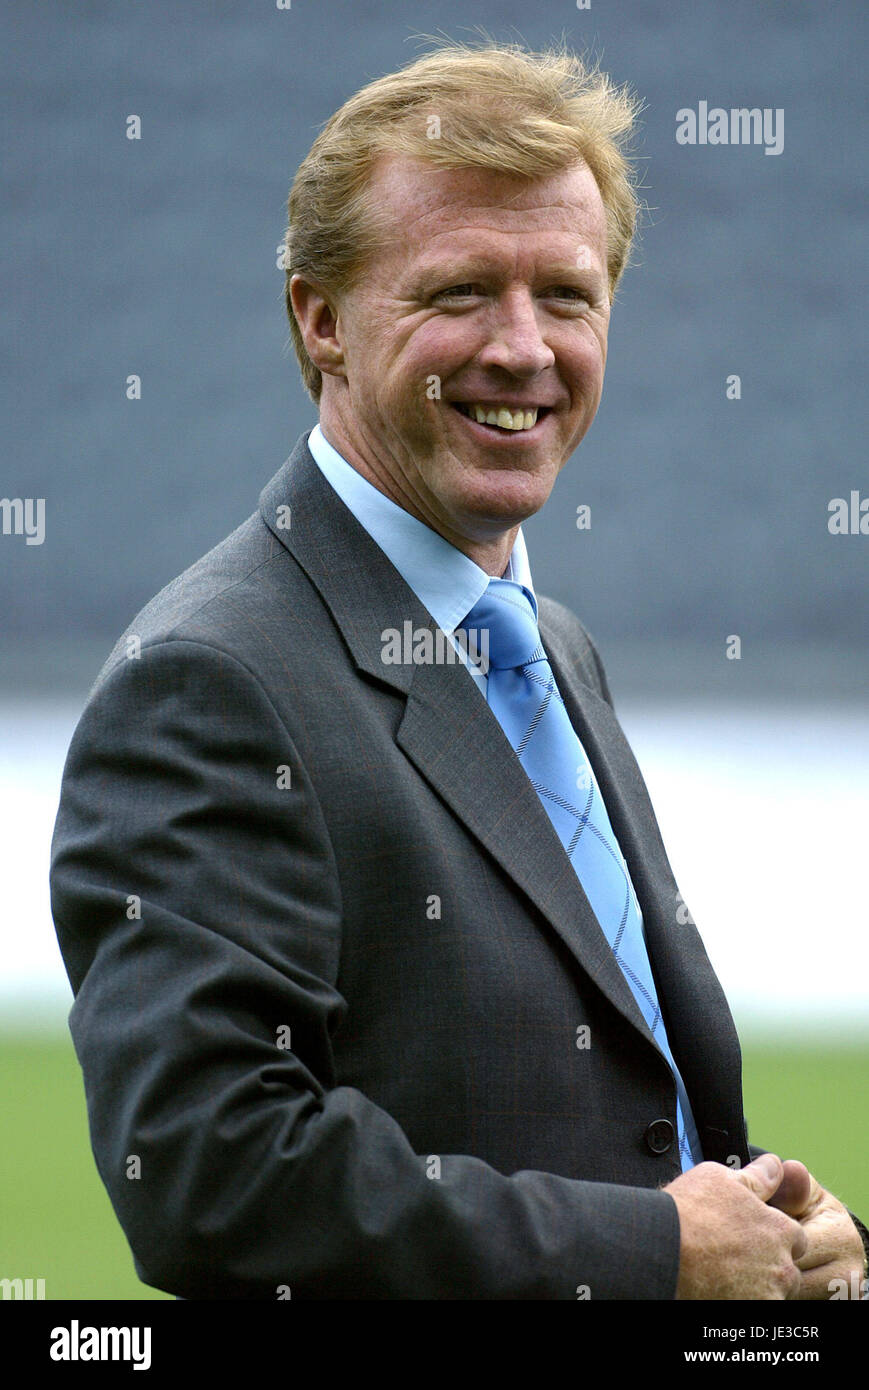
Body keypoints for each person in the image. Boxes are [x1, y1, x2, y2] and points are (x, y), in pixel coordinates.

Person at [50, 41, 867, 1300]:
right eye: (459, 292)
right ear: (318, 319)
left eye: (568, 295)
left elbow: (610, 1123)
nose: (523, 348)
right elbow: (209, 1176)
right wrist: (655, 1253)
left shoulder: (548, 642)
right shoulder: (211, 679)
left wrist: (772, 1228)